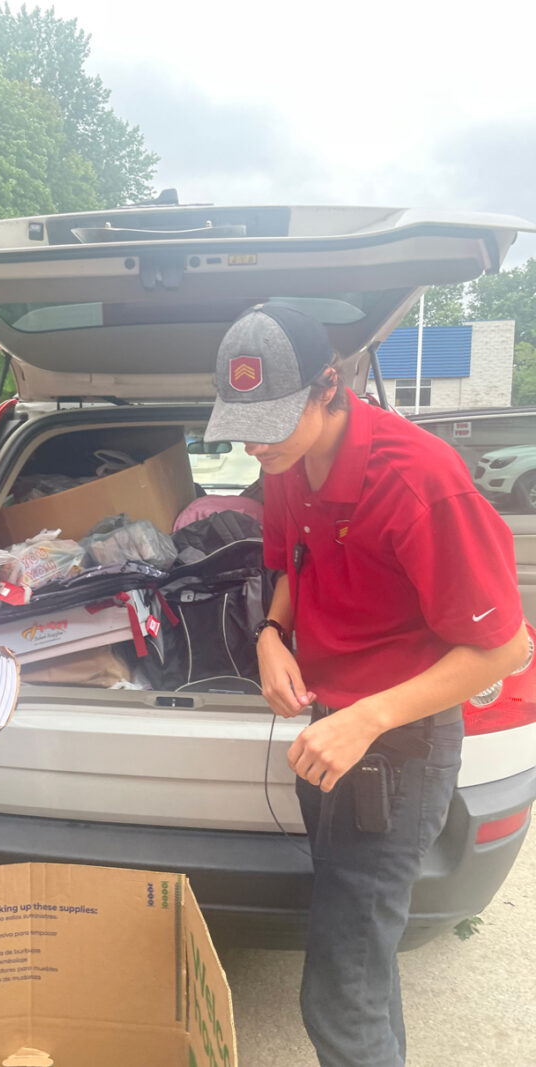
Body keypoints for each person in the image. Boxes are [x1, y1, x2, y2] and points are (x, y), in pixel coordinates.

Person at [204, 305, 528, 1067]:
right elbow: (288, 562)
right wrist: (270, 634)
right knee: (364, 960)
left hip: (399, 752)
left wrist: (368, 718)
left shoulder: (418, 480)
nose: (254, 442)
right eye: (241, 424)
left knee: (340, 994)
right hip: (332, 739)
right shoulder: (286, 464)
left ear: (328, 388)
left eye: (271, 421)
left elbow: (503, 647)